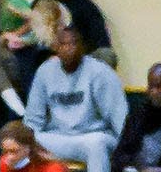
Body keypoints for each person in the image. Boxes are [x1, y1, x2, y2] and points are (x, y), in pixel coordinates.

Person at [23, 26, 128, 172]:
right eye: (63, 44)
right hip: (58, 137)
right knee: (27, 141)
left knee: (97, 144)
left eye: (73, 43)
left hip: (92, 137)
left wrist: (128, 153)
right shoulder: (45, 71)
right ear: (56, 48)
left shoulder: (101, 72)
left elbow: (119, 118)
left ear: (82, 47)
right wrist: (26, 143)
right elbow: (33, 119)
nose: (68, 48)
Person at [0, 120, 68, 172]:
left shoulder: (52, 169)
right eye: (5, 151)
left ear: (28, 148)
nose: (8, 157)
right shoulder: (1, 165)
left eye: (13, 151)